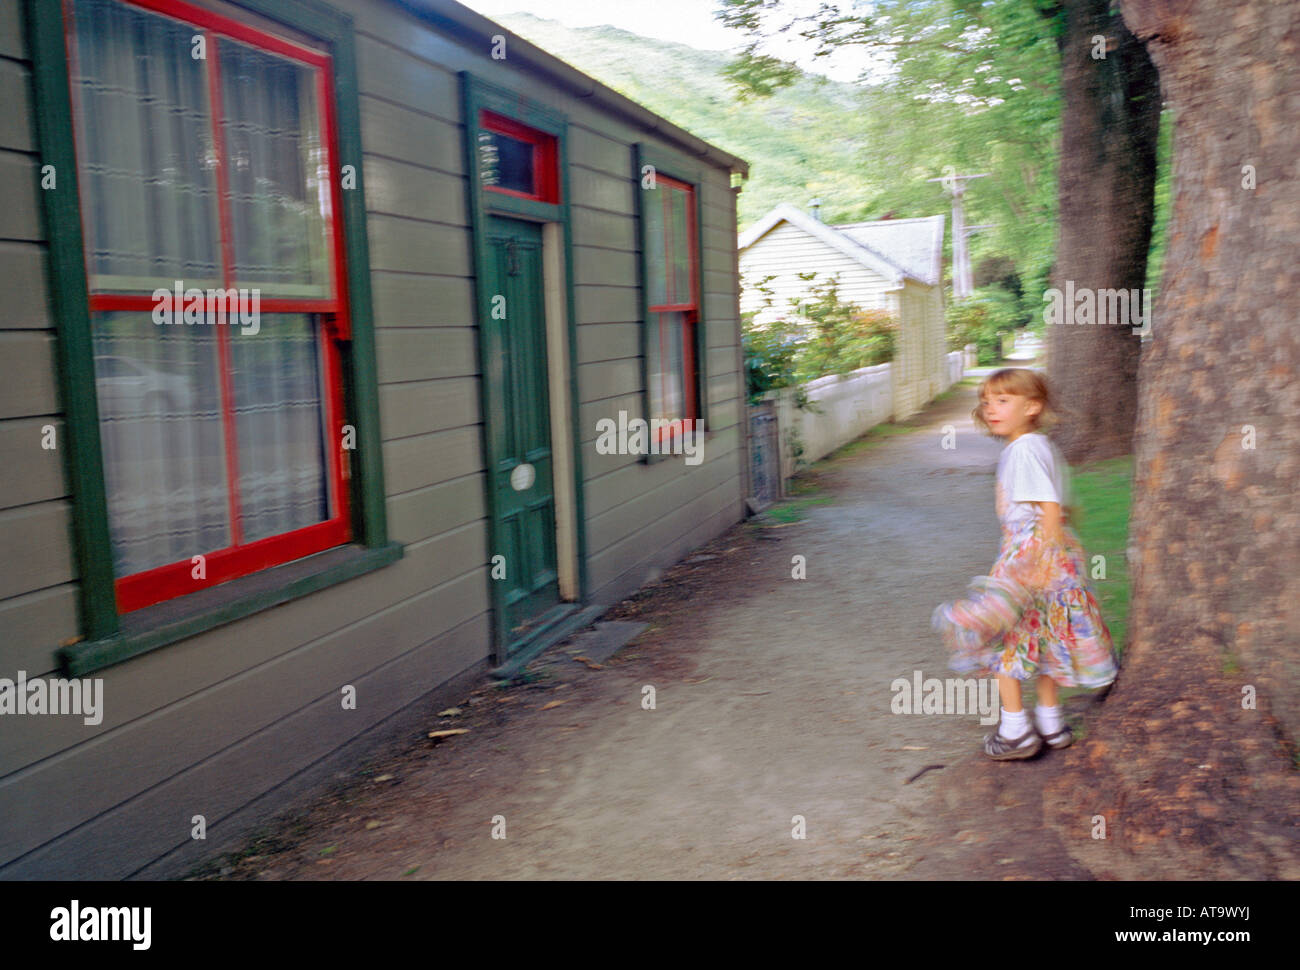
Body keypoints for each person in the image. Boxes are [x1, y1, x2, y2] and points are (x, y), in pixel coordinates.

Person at [932, 368, 1118, 760]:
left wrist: (1034, 565)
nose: (991, 409)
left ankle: (1015, 731)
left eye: (1003, 400)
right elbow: (1066, 507)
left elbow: (1049, 509)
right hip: (1059, 556)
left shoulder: (1022, 450)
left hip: (1032, 556)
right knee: (1049, 637)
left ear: (1032, 406)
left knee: (1008, 638)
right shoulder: (1042, 446)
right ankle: (1051, 723)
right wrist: (1062, 556)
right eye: (987, 401)